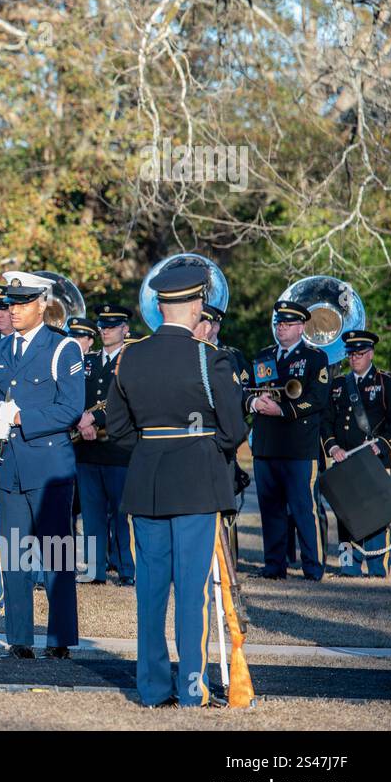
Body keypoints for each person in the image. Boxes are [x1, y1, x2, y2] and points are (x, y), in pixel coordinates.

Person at [106, 267, 247, 708]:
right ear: (196, 307)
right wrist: (200, 450)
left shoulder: (131, 357)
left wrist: (152, 447)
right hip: (196, 485)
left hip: (147, 483)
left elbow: (117, 427)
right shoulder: (209, 358)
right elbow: (234, 430)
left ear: (161, 306)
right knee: (192, 593)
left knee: (150, 593)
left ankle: (151, 689)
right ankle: (191, 689)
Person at [0, 272, 84, 659]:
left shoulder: (62, 348)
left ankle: (59, 639)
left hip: (49, 465)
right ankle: (18, 638)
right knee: (16, 556)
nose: (14, 310)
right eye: (10, 304)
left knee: (56, 555)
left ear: (42, 304)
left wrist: (22, 418)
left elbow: (71, 409)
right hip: (8, 467)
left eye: (22, 303)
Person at [247, 299, 330, 580]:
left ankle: (313, 567)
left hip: (298, 448)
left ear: (302, 326)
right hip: (267, 446)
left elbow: (317, 399)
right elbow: (251, 389)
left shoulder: (315, 358)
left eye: (288, 323)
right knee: (270, 511)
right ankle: (274, 566)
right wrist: (256, 403)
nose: (281, 327)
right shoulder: (263, 356)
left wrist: (283, 409)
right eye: (279, 323)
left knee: (304, 509)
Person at [323, 330, 391, 576]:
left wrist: (383, 444)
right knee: (347, 514)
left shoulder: (386, 382)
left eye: (360, 353)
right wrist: (333, 446)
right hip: (345, 460)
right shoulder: (338, 385)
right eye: (351, 354)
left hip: (373, 460)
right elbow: (327, 421)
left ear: (371, 353)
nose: (354, 358)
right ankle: (349, 565)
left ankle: (377, 568)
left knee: (376, 516)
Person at [74, 303, 135, 586]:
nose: (105, 330)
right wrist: (79, 421)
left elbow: (129, 401)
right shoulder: (87, 361)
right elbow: (73, 396)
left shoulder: (132, 360)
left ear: (125, 329)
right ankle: (95, 569)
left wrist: (95, 419)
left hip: (118, 449)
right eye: (102, 326)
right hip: (87, 450)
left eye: (112, 326)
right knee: (92, 514)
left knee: (121, 514)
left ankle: (126, 569)